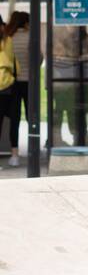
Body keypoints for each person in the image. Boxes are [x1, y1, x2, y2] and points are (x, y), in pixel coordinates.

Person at [6, 11, 42, 166]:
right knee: (31, 116)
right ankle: (34, 150)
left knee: (15, 119)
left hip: (12, 83)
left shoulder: (8, 38)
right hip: (29, 82)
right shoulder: (30, 37)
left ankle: (14, 154)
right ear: (26, 23)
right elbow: (39, 59)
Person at [0, 16, 18, 165]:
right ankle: (14, 155)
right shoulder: (8, 41)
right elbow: (12, 61)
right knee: (13, 120)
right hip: (6, 87)